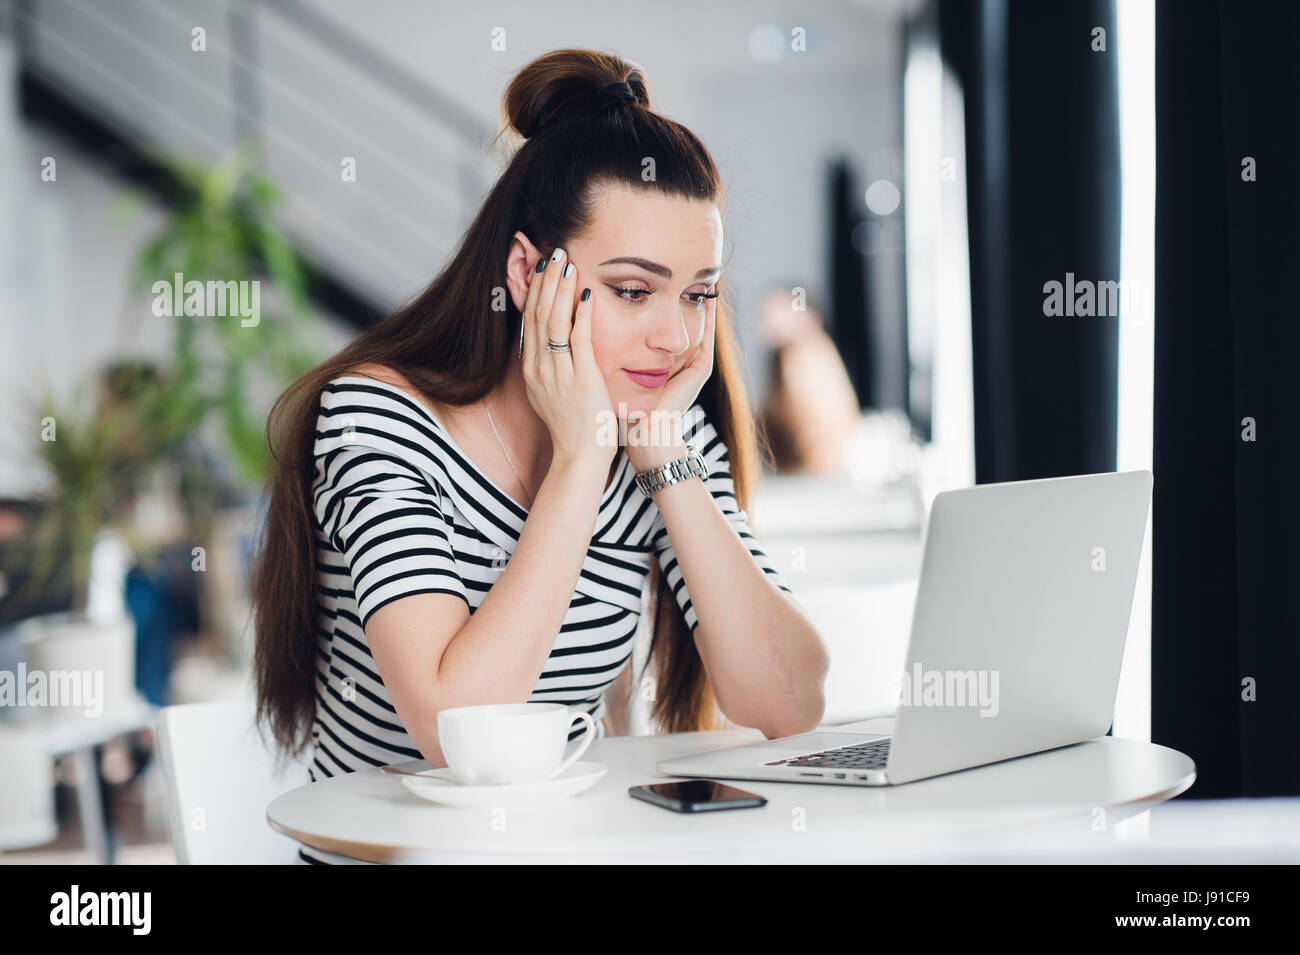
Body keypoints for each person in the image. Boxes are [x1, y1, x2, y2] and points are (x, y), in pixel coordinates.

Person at [250, 49, 828, 863]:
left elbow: (789, 701)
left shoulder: (654, 426)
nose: (675, 335)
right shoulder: (376, 418)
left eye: (698, 293)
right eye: (633, 290)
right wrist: (582, 459)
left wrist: (664, 455)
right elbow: (455, 729)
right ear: (527, 273)